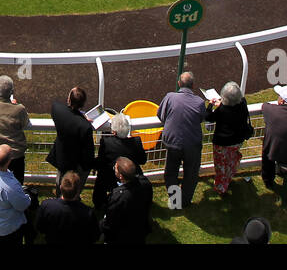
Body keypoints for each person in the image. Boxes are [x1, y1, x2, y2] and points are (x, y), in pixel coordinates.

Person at [157, 71, 207, 208]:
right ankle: (184, 201)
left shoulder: (170, 97)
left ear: (179, 83)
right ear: (193, 85)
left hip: (173, 143)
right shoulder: (199, 102)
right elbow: (202, 118)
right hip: (192, 145)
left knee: (171, 173)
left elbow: (161, 116)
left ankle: (175, 200)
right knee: (191, 174)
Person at [206, 81, 253, 194]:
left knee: (220, 165)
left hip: (222, 143)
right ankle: (228, 177)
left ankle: (221, 187)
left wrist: (210, 105)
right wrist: (221, 104)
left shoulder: (222, 110)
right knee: (231, 160)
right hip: (237, 141)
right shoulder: (243, 104)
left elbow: (209, 117)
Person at [93, 112, 147, 210]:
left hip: (110, 178)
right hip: (131, 177)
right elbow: (143, 160)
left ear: (114, 132)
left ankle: (99, 203)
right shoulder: (136, 141)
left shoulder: (106, 142)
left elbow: (101, 162)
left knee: (100, 177)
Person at [47, 86, 94, 192]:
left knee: (61, 183)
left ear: (69, 100)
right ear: (83, 104)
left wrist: (80, 116)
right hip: (77, 161)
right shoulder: (85, 126)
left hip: (63, 157)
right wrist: (82, 117)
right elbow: (89, 150)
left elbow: (57, 105)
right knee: (74, 186)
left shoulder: (57, 110)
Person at [0, 143, 32, 244]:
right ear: (9, 161)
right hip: (9, 229)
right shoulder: (11, 187)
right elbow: (23, 205)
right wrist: (28, 196)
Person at [36, 170, 99, 244]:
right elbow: (95, 236)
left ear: (60, 187)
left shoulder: (46, 206)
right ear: (78, 191)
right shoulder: (88, 213)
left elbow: (40, 227)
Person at [99, 156, 152, 244]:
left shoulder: (118, 196)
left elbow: (110, 221)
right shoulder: (145, 183)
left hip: (121, 236)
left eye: (115, 168)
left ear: (120, 176)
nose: (114, 169)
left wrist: (101, 226)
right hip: (140, 230)